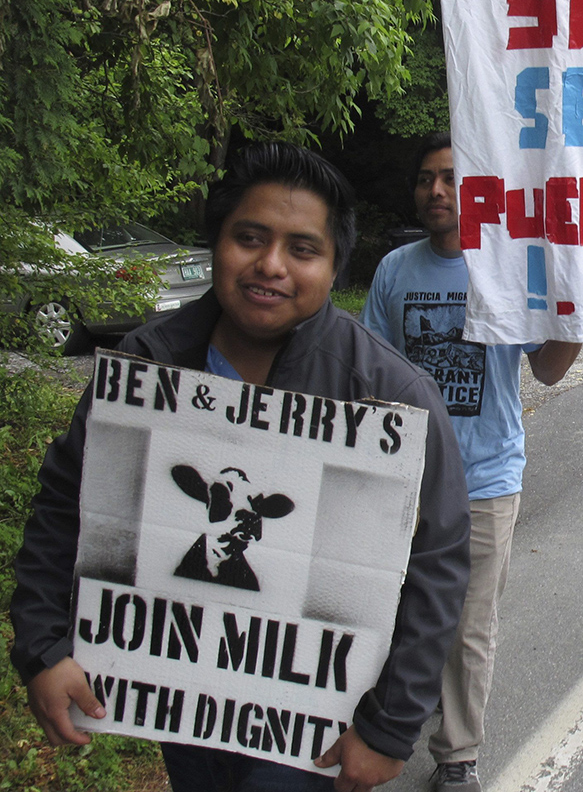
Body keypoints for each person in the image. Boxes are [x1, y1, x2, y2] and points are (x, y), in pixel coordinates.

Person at [9, 142, 472, 791]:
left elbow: (437, 563)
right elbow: (67, 504)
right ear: (216, 243)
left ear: (335, 265)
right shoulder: (148, 368)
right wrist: (43, 647)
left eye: (302, 249)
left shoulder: (389, 397)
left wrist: (391, 726)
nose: (271, 265)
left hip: (314, 734)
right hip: (182, 713)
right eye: (249, 238)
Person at [359, 133, 581, 792]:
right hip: (404, 476)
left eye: (451, 178)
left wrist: (575, 322)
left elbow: (544, 368)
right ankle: (411, 697)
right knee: (401, 608)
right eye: (426, 178)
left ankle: (457, 755)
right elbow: (371, 371)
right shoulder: (394, 270)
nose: (436, 190)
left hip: (485, 477)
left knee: (469, 624)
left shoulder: (507, 270)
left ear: (476, 189)